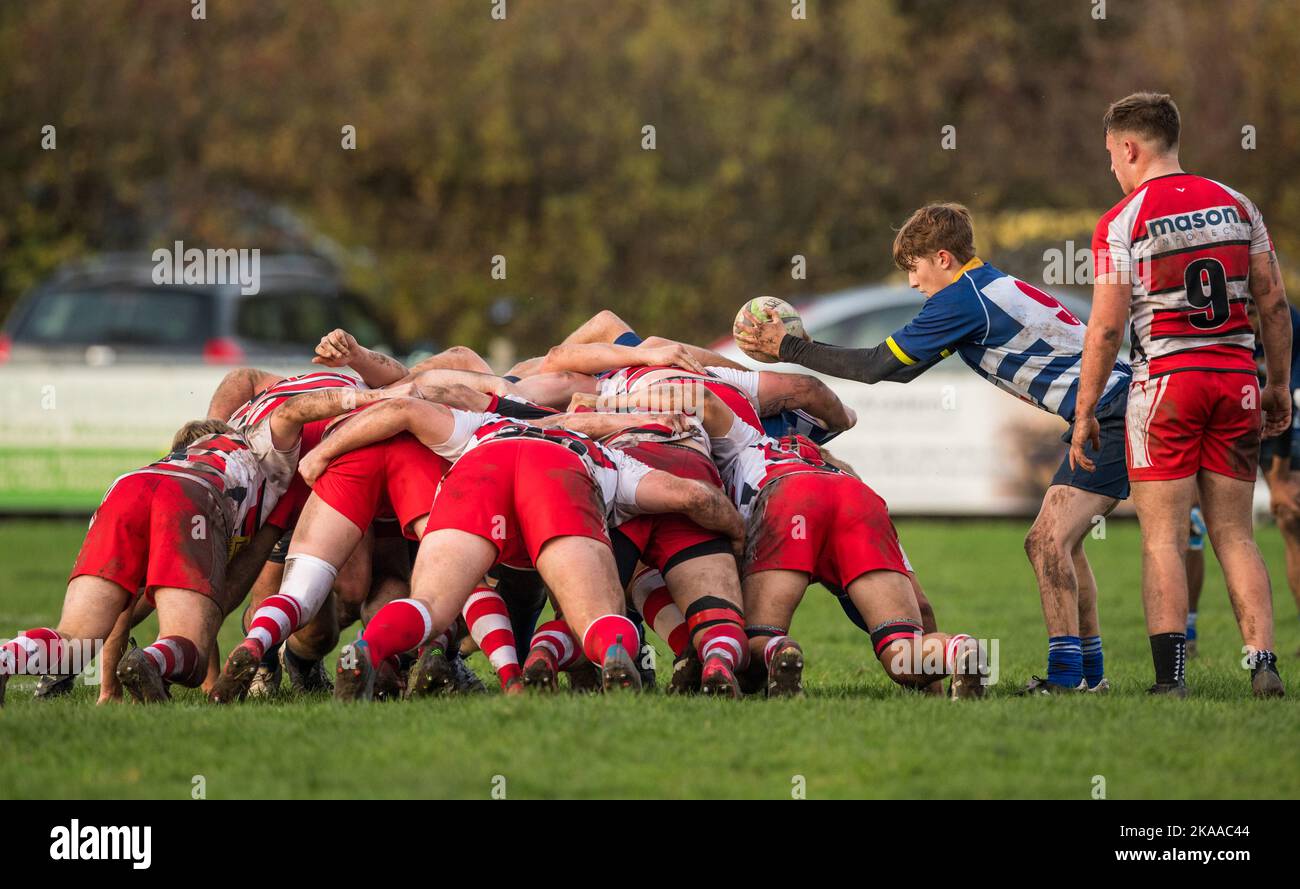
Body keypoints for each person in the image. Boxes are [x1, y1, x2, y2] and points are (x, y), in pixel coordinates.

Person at [737, 202, 1129, 694]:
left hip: (1112, 411)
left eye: (915, 268)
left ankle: (1071, 679)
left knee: (1049, 542)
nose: (912, 283)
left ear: (943, 258)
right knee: (1061, 543)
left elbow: (877, 365)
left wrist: (790, 349)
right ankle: (1087, 676)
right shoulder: (988, 287)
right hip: (1110, 408)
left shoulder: (962, 301)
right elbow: (900, 368)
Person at [1072, 91, 1288, 697]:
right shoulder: (1238, 205)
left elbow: (1108, 325)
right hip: (1236, 381)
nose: (1112, 167)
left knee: (1163, 536)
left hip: (1168, 384)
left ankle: (1171, 682)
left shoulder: (1122, 222)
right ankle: (1262, 664)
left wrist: (1087, 407)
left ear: (1131, 148)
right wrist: (1276, 384)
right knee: (1237, 534)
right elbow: (1272, 301)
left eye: (1112, 155)